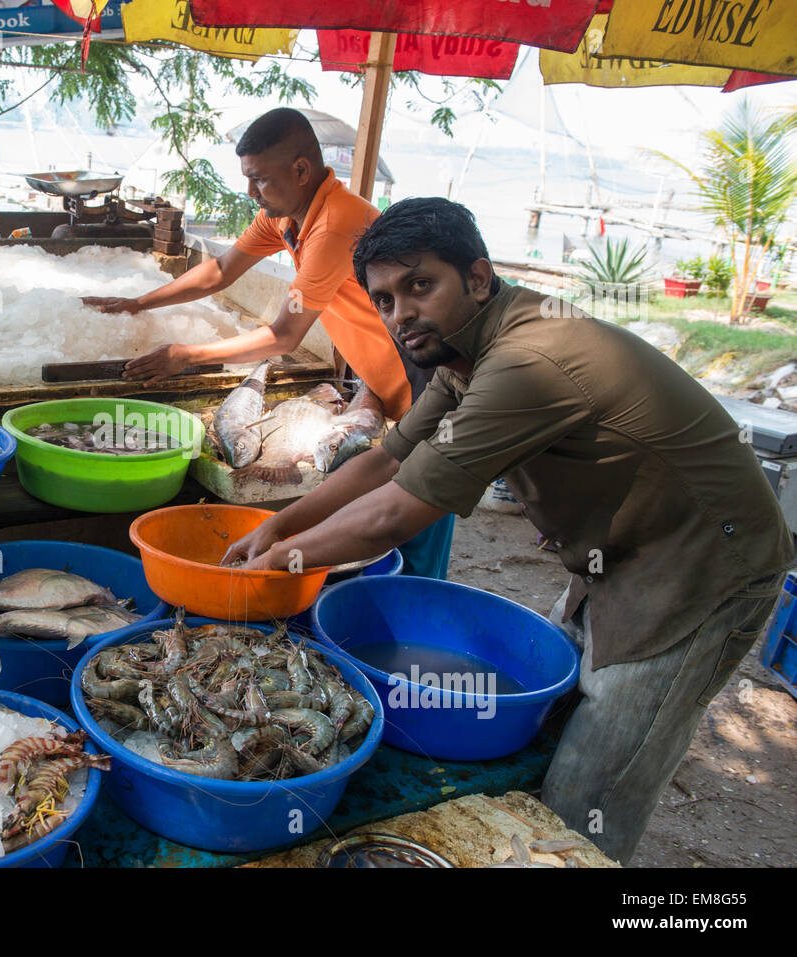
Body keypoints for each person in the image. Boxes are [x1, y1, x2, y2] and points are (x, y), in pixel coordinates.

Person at [226, 196, 794, 863]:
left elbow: (396, 512)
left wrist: (277, 562)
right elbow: (386, 458)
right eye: (383, 299)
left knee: (590, 785)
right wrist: (278, 527)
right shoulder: (460, 350)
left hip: (702, 564)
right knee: (551, 718)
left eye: (419, 285)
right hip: (615, 554)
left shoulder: (526, 359)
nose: (401, 313)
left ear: (477, 276)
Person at [81, 107, 453, 578]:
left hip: (422, 377)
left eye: (259, 179)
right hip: (380, 378)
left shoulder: (335, 223)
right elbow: (220, 271)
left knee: (416, 516)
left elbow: (284, 334)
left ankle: (412, 605)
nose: (250, 191)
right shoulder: (285, 216)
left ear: (300, 170)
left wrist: (184, 356)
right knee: (379, 509)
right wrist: (138, 302)